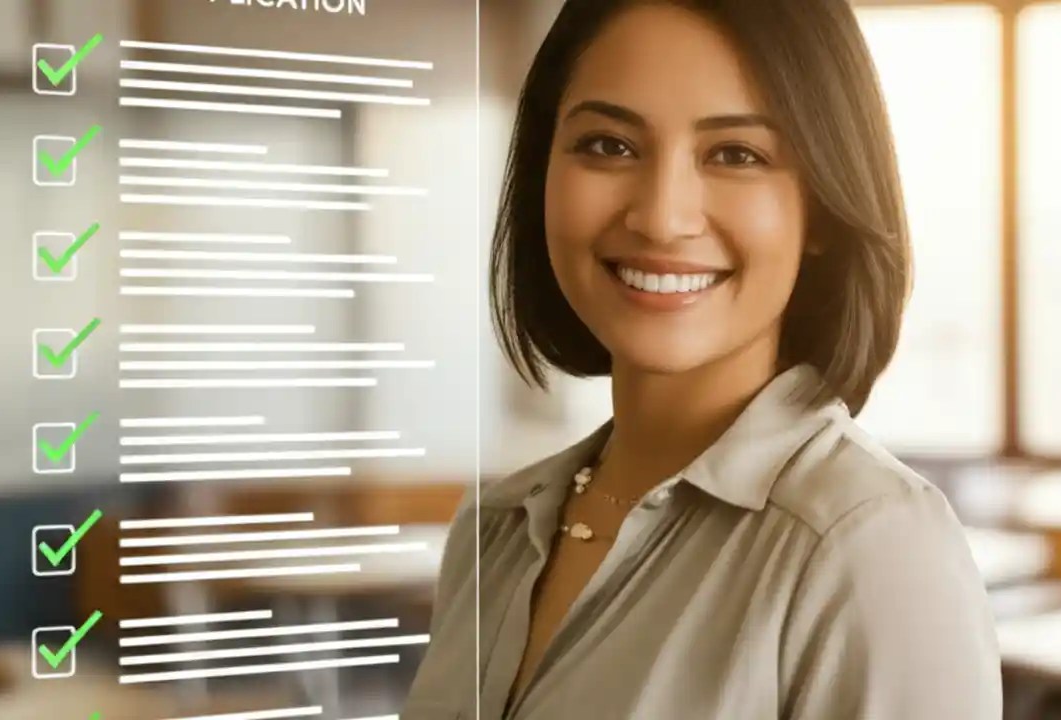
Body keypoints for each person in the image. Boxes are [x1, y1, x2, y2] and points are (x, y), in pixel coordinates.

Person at [402, 0, 1002, 717]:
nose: (661, 216)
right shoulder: (493, 528)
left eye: (736, 155)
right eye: (608, 145)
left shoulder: (871, 548)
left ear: (821, 208)